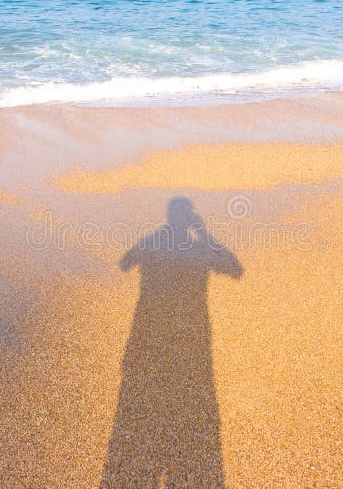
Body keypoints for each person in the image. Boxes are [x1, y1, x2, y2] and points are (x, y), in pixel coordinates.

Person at [101, 197, 242, 487]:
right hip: (186, 352)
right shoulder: (199, 250)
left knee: (138, 429)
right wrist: (203, 235)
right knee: (191, 436)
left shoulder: (156, 244)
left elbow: (126, 262)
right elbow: (233, 268)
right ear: (188, 219)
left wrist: (162, 239)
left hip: (152, 348)